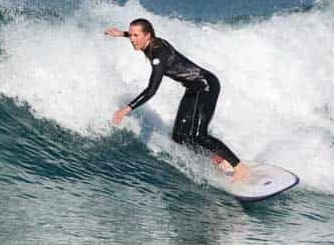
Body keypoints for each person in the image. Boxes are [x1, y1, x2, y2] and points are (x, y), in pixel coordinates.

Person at [104, 17, 250, 180]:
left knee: (199, 135)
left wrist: (126, 109)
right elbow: (137, 36)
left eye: (135, 35)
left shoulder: (159, 55)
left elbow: (151, 90)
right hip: (193, 89)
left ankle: (240, 168)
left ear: (148, 35)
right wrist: (121, 34)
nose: (132, 39)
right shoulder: (151, 41)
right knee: (179, 137)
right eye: (130, 35)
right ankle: (218, 159)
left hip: (206, 86)